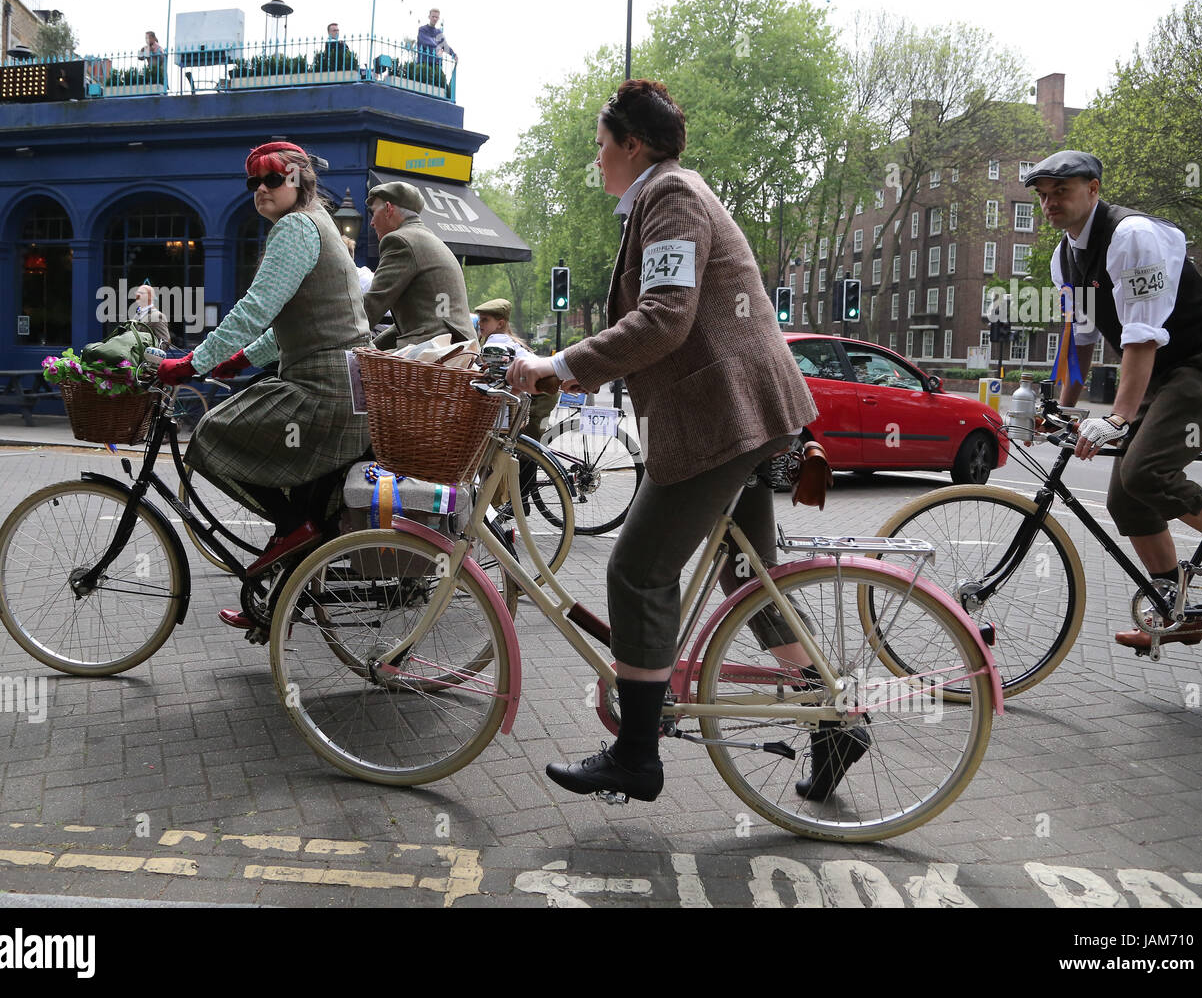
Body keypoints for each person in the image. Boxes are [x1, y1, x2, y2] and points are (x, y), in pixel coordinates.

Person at [506, 79, 846, 804]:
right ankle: (835, 718)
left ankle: (636, 756)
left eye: (602, 147)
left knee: (636, 570)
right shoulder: (660, 198)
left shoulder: (673, 197)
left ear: (634, 144)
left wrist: (557, 366)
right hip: (740, 412)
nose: (596, 162)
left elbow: (666, 318)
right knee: (749, 578)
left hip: (721, 419)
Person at [1027, 149, 1202, 647]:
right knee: (1128, 497)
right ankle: (1179, 611)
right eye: (1043, 195)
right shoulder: (1066, 256)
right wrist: (1062, 408)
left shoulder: (1132, 236)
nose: (1050, 203)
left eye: (1061, 190)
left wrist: (1118, 417)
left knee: (1148, 471)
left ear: (1094, 189)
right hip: (1165, 373)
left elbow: (1140, 337)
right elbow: (1079, 339)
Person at [156, 141, 371, 628]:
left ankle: (293, 528)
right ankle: (277, 601)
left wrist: (193, 363)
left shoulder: (295, 228)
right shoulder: (322, 223)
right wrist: (240, 359)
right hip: (350, 386)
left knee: (212, 430)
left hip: (324, 387)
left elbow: (256, 308)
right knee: (303, 495)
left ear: (298, 180)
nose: (260, 190)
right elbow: (301, 318)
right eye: (253, 182)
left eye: (272, 179)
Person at [363, 180, 475, 349]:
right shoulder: (427, 238)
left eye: (373, 213)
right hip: (456, 346)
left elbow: (373, 304)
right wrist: (373, 346)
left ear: (388, 209)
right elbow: (419, 323)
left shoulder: (400, 240)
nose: (371, 222)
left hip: (434, 350)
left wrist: (338, 334)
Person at [475, 297, 556, 444]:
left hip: (541, 392)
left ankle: (530, 462)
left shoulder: (496, 341)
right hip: (544, 388)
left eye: (485, 320)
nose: (479, 323)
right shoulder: (508, 339)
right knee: (526, 436)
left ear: (500, 323)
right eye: (480, 320)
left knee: (527, 443)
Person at [415, 7, 456, 84]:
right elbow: (425, 41)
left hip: (436, 64)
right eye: (433, 16)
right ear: (429, 17)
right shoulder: (422, 29)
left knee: (437, 84)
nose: (434, 19)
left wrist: (454, 54)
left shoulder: (438, 32)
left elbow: (445, 46)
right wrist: (438, 46)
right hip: (423, 63)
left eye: (436, 17)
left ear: (438, 18)